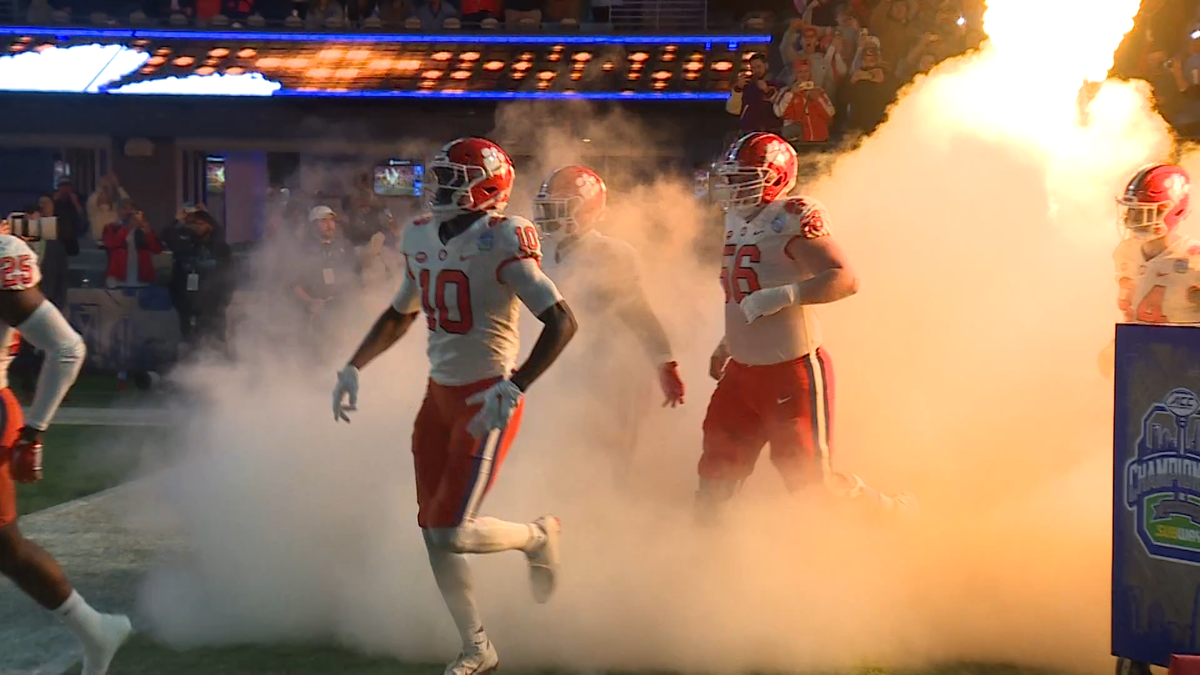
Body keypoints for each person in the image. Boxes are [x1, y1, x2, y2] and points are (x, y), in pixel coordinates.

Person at [331, 137, 576, 675]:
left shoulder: (503, 237)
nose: (440, 187)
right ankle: (477, 647)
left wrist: (517, 385)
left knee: (453, 530)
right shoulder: (420, 234)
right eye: (440, 176)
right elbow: (402, 311)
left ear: (487, 187)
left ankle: (538, 536)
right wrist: (354, 364)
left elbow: (562, 321)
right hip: (437, 396)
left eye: (453, 178)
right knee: (433, 533)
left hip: (486, 394)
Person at [698, 131, 916, 524]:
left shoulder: (790, 217)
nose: (732, 185)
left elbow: (844, 278)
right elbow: (741, 294)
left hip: (789, 372)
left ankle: (894, 513)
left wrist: (783, 296)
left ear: (775, 177)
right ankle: (704, 562)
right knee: (715, 478)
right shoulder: (737, 220)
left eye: (745, 176)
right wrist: (727, 342)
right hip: (741, 373)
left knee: (814, 486)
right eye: (732, 176)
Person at [0, 221, 131, 675]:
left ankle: (96, 629)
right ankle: (96, 630)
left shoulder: (3, 255)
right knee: (6, 551)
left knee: (7, 549)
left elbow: (68, 349)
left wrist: (33, 431)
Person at [533, 165, 685, 481]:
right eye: (547, 206)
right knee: (559, 454)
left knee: (607, 457)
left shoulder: (611, 253)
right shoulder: (543, 249)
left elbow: (638, 313)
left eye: (559, 207)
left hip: (607, 372)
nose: (549, 214)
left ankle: (614, 514)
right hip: (563, 369)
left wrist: (664, 363)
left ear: (587, 209)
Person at [1100, 164, 1199, 374]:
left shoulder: (1193, 262)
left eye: (1143, 212)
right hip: (1143, 371)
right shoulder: (1127, 253)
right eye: (1132, 211)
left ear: (1174, 210)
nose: (1132, 220)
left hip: (1186, 374)